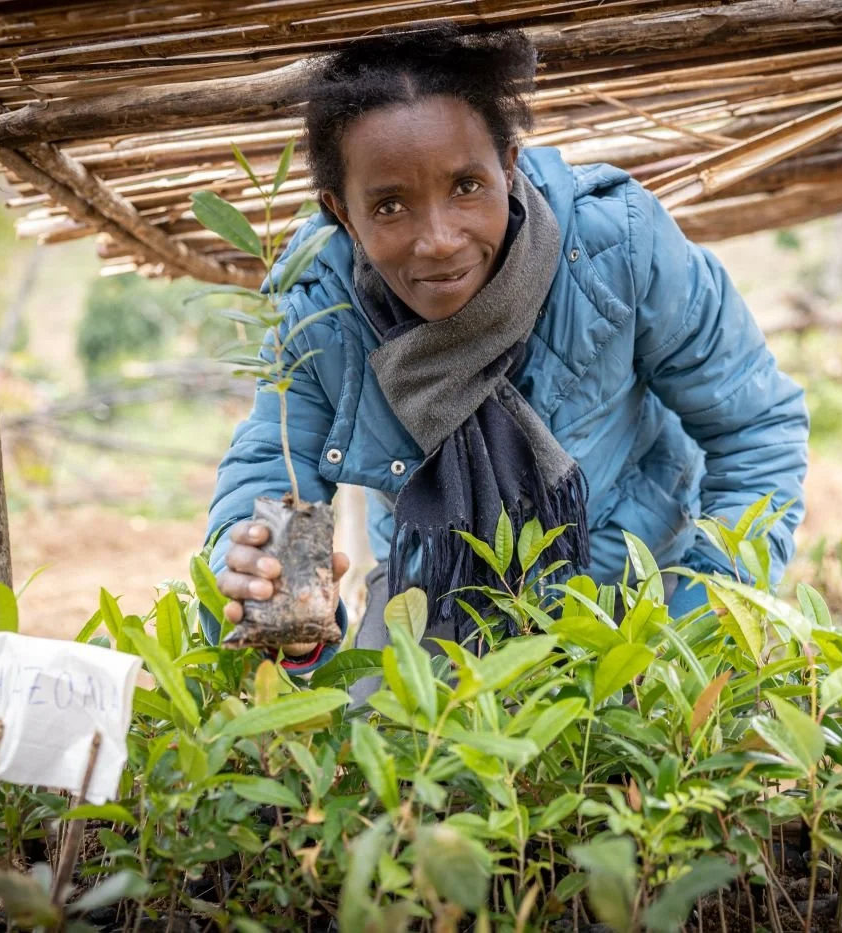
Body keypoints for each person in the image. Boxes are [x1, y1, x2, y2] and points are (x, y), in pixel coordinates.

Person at [204, 26, 809, 682]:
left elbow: (756, 431)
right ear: (342, 216)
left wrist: (698, 616)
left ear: (509, 167)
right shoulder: (319, 313)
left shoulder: (620, 247)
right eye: (390, 205)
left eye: (466, 186)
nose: (437, 240)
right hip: (435, 599)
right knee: (398, 750)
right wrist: (279, 612)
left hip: (640, 591)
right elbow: (271, 472)